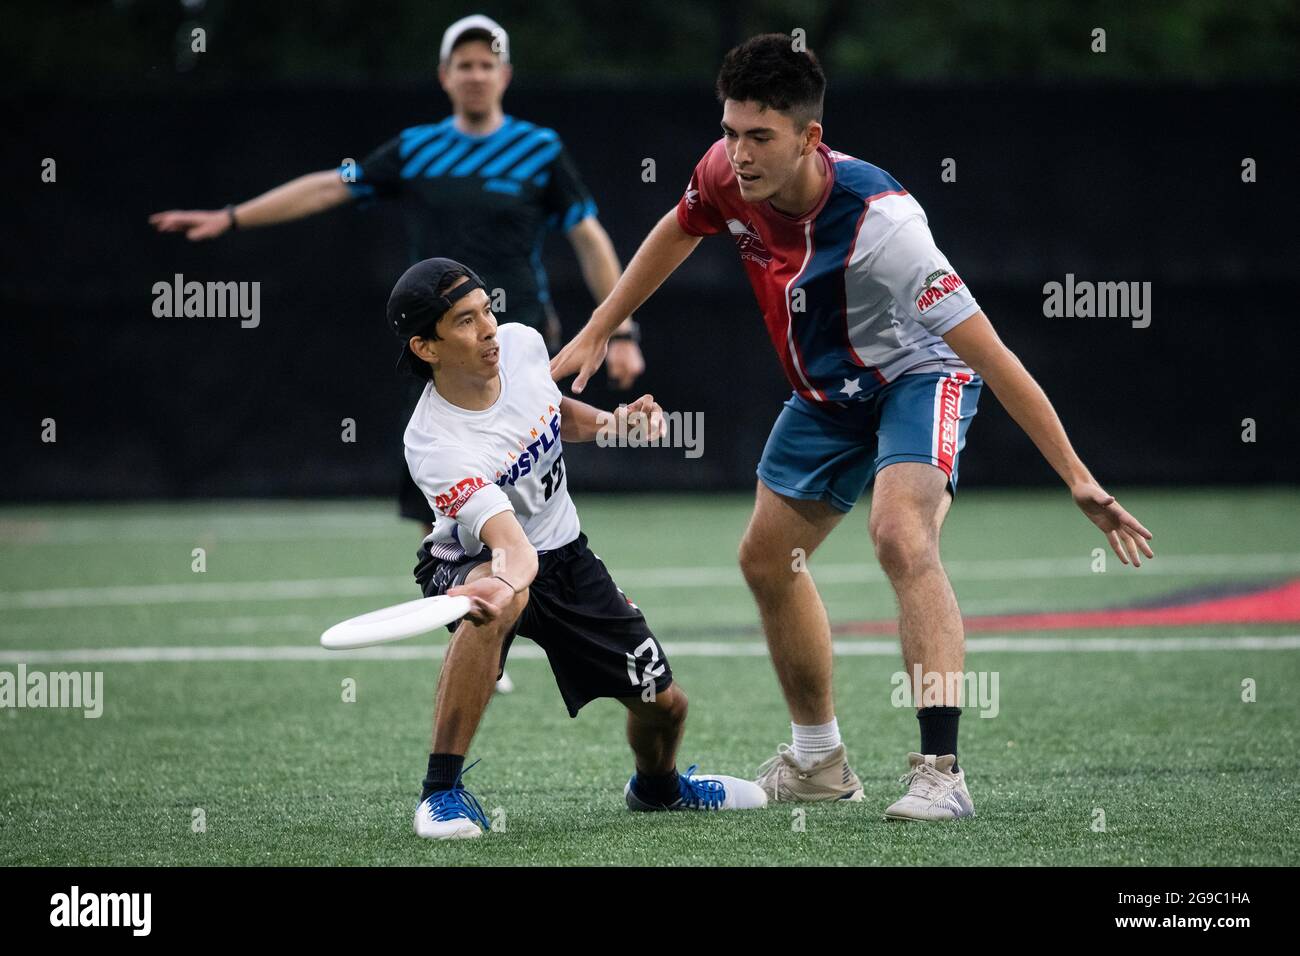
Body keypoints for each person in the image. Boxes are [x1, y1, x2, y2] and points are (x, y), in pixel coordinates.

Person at [550, 34, 1154, 821]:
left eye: (759, 136)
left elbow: (995, 356)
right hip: (826, 396)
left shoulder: (887, 228)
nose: (739, 153)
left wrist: (1080, 478)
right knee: (766, 560)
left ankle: (943, 773)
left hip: (918, 376)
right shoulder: (725, 173)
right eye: (730, 131)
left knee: (901, 536)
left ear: (810, 138)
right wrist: (605, 323)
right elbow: (678, 225)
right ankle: (818, 764)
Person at [149, 13, 645, 539]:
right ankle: (470, 600)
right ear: (444, 76)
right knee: (448, 509)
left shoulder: (539, 150)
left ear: (505, 74)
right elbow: (330, 186)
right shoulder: (415, 149)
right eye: (464, 64)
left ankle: (537, 590)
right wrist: (232, 216)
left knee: (528, 494)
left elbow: (590, 239)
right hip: (442, 353)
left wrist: (622, 332)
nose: (476, 74)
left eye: (487, 63)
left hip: (517, 337)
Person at [390, 257, 765, 839]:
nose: (488, 327)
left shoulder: (521, 344)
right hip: (471, 559)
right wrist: (500, 584)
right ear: (425, 347)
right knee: (500, 596)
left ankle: (658, 791)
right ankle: (440, 793)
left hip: (566, 556)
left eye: (488, 309)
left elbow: (550, 412)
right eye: (465, 322)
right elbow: (510, 548)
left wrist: (616, 425)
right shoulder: (436, 442)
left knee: (666, 707)